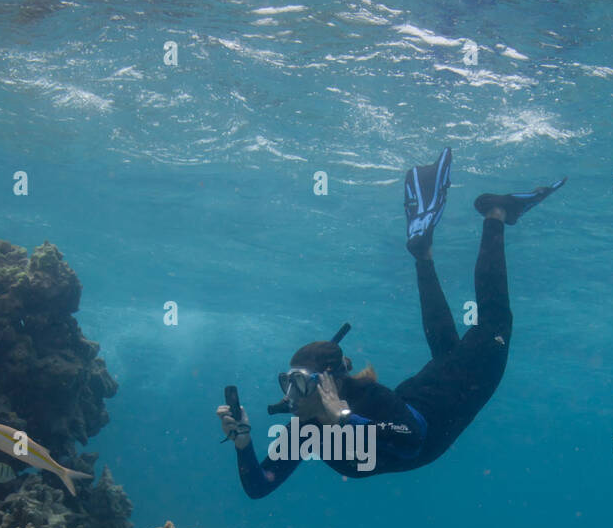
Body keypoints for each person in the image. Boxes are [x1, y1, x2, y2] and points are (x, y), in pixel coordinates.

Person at [218, 148, 565, 498]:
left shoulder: (368, 398)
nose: (291, 397)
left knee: (494, 323)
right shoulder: (306, 429)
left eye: (300, 384)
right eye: (287, 382)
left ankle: (495, 212)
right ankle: (424, 253)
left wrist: (343, 419)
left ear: (329, 383)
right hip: (438, 391)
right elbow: (259, 486)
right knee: (446, 349)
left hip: (454, 395)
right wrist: (243, 441)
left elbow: (412, 439)